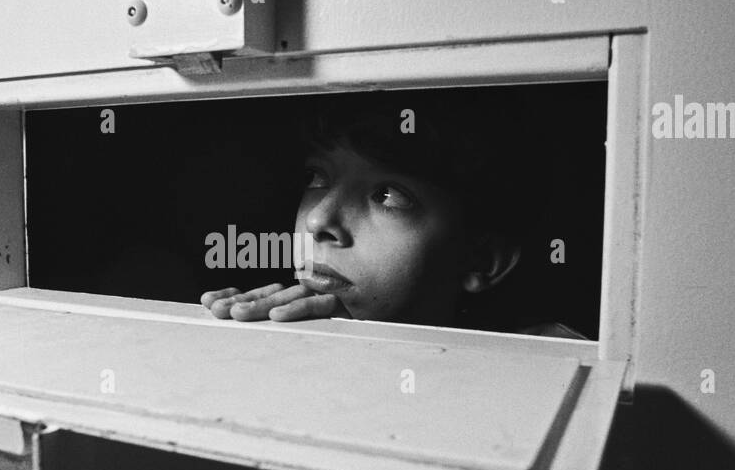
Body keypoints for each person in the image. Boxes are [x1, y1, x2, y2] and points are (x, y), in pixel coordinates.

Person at [200, 91, 587, 338]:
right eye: (318, 177)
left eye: (387, 195)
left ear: (481, 260)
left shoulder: (545, 362)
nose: (318, 221)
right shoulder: (294, 324)